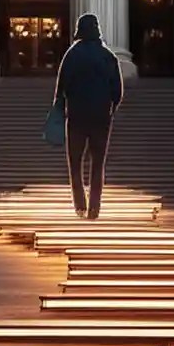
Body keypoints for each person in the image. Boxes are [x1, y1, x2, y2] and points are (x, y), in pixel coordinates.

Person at [53, 13, 124, 219]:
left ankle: (79, 205)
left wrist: (60, 105)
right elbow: (117, 90)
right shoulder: (108, 56)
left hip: (76, 116)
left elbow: (61, 86)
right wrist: (111, 107)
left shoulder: (72, 55)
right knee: (98, 163)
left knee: (75, 162)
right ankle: (94, 208)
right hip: (101, 117)